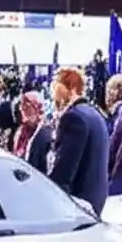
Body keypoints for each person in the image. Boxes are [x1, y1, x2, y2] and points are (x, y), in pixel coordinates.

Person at [48, 67, 109, 216]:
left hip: (77, 206)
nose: (54, 95)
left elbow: (64, 171)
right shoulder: (95, 114)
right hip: (95, 202)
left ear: (71, 88)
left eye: (57, 87)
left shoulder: (73, 118)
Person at [12, 90, 53, 175]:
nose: (22, 109)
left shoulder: (46, 134)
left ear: (37, 108)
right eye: (21, 106)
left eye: (27, 107)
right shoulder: (21, 131)